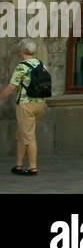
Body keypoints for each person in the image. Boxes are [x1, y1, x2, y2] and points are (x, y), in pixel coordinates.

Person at [0, 39, 48, 176]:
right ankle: (18, 165)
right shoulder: (41, 64)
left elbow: (11, 88)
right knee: (22, 134)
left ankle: (33, 168)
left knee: (29, 137)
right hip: (40, 103)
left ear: (22, 51)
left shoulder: (22, 66)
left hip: (26, 104)